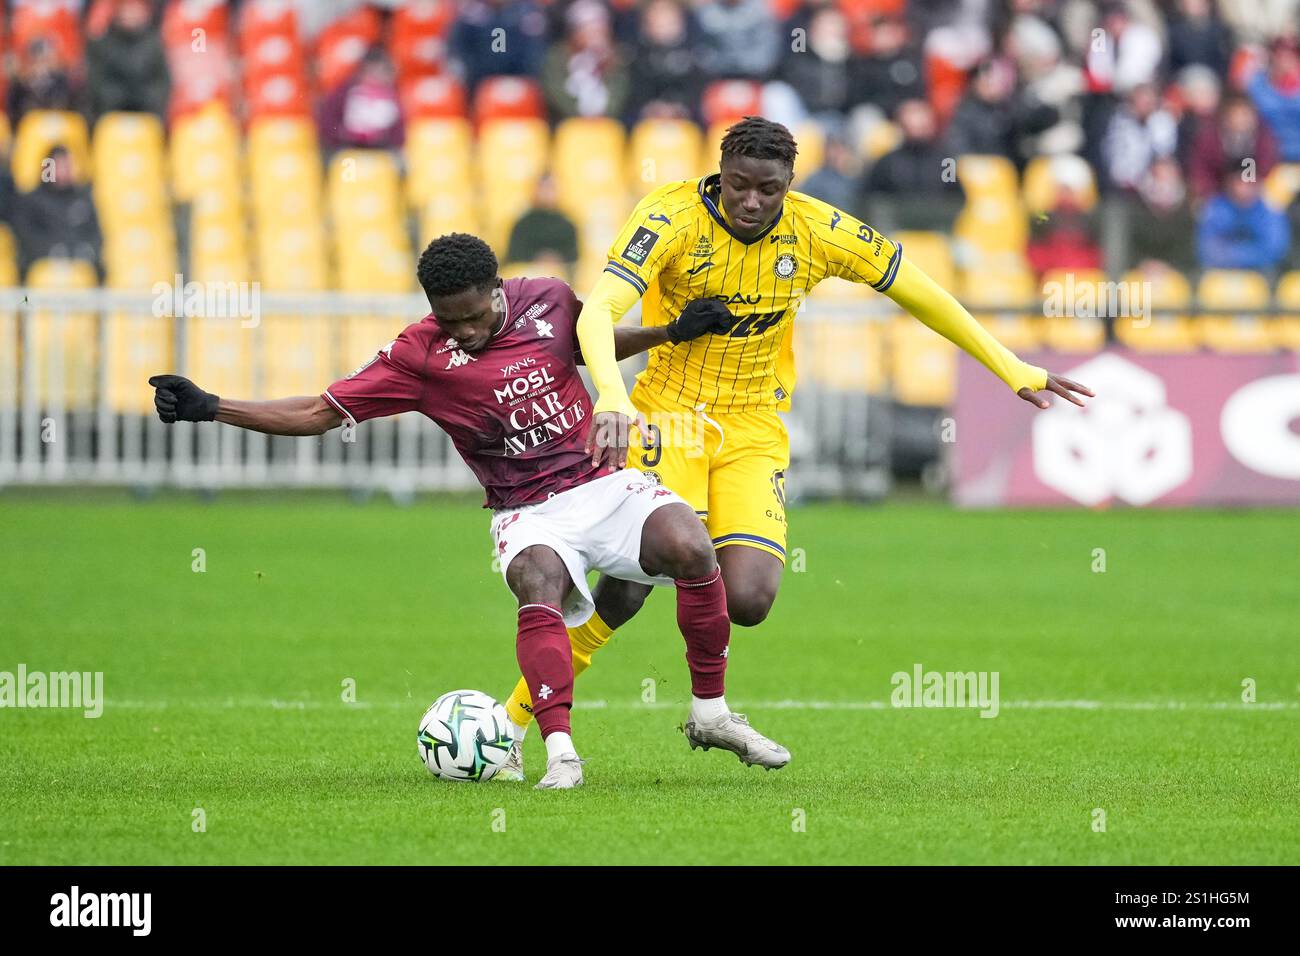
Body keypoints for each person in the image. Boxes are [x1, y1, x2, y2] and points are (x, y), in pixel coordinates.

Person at [498, 116, 1094, 775]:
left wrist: (1011, 366)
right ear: (719, 171)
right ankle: (515, 720)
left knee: (749, 599)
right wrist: (611, 396)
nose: (751, 201)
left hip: (755, 425)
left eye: (768, 189)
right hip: (669, 418)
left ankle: (698, 700)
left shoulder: (816, 229)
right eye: (738, 185)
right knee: (630, 590)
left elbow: (918, 289)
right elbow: (597, 310)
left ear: (790, 184)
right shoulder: (669, 216)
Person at [145, 233, 789, 790]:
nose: (467, 333)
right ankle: (560, 755)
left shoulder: (549, 298)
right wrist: (213, 407)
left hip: (601, 483)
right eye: (451, 322)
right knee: (537, 581)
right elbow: (319, 412)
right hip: (525, 509)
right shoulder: (418, 356)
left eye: (476, 317)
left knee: (691, 546)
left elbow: (593, 343)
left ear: (498, 290)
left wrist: (667, 333)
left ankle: (710, 713)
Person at [12, 146, 102, 280]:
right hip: (42, 270)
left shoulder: (83, 198)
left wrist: (86, 250)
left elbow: (95, 234)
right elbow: (26, 237)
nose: (66, 169)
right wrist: (53, 251)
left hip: (79, 269)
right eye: (61, 165)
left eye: (68, 165)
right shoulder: (32, 201)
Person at [85, 0, 169, 121]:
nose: (131, 14)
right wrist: (117, 99)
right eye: (127, 9)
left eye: (136, 9)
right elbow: (97, 80)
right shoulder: (103, 43)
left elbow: (162, 81)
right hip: (109, 113)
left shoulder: (155, 44)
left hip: (147, 114)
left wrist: (145, 100)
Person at [1196, 172, 1290, 271]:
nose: (1245, 189)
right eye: (1240, 183)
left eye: (1249, 184)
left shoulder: (1270, 210)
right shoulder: (1216, 208)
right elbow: (1206, 249)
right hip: (1219, 273)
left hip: (1261, 273)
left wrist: (1234, 255)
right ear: (1230, 184)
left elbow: (1275, 249)